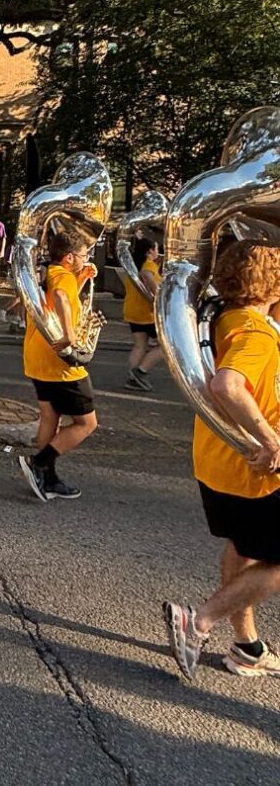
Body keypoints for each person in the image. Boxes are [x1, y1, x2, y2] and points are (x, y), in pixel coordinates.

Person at [163, 240, 280, 681]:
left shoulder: (222, 317)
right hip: (254, 467)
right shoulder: (256, 332)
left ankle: (246, 647)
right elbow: (227, 385)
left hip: (217, 460)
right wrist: (271, 440)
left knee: (245, 547)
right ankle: (199, 622)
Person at [17, 230, 99, 502]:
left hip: (37, 356)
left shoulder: (51, 272)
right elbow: (62, 297)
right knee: (87, 423)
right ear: (69, 257)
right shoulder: (63, 276)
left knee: (50, 417)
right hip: (60, 362)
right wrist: (70, 336)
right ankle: (39, 463)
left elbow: (59, 297)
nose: (87, 258)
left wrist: (82, 278)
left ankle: (47, 479)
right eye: (84, 254)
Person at [123, 237, 165, 391]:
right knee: (166, 346)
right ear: (149, 251)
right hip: (147, 313)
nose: (158, 252)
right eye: (156, 249)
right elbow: (147, 275)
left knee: (139, 345)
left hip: (133, 311)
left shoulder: (132, 265)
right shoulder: (148, 264)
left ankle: (132, 377)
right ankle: (141, 371)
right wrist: (157, 295)